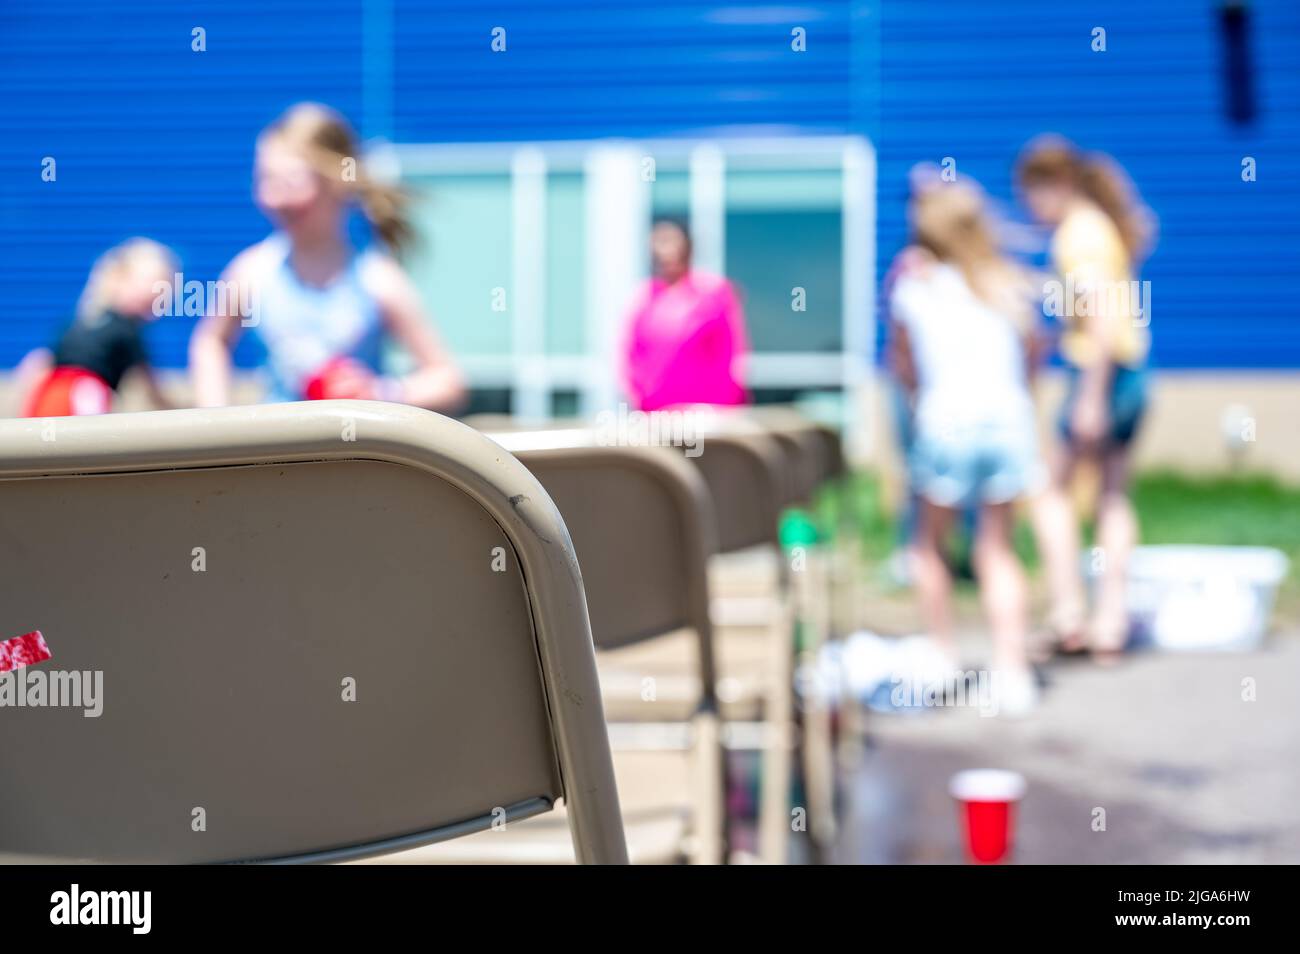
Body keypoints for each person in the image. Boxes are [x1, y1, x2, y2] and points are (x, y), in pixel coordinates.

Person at [189, 103, 464, 410]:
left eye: (291, 183)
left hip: (357, 453)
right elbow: (211, 341)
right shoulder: (253, 272)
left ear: (337, 181)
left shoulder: (375, 279)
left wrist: (381, 392)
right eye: (265, 180)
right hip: (279, 452)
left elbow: (447, 379)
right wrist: (216, 419)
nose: (275, 198)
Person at [888, 177, 1043, 714]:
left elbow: (902, 364)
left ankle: (942, 655)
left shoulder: (917, 285)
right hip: (1006, 423)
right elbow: (1032, 359)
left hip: (946, 423)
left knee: (930, 545)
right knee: (997, 550)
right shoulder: (1007, 283)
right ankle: (1013, 672)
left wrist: (916, 403)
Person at [1017, 136, 1155, 662]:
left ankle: (1068, 612)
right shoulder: (1102, 227)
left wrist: (1090, 399)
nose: (1030, 208)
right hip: (1134, 369)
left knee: (1050, 492)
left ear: (1056, 186)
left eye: (1032, 194)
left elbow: (1098, 319)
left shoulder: (1077, 236)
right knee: (1112, 496)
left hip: (1102, 374)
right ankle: (1110, 621)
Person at [20, 238, 176, 417]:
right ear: (122, 281)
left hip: (48, 394)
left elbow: (38, 361)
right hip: (84, 397)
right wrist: (174, 408)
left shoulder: (84, 319)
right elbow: (150, 385)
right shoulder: (126, 330)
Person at [620, 218, 749, 411]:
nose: (665, 251)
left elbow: (732, 354)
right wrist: (641, 402)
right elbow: (629, 359)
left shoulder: (714, 292)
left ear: (687, 247)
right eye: (659, 242)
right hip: (657, 415)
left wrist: (725, 408)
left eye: (670, 241)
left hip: (709, 415)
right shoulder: (644, 299)